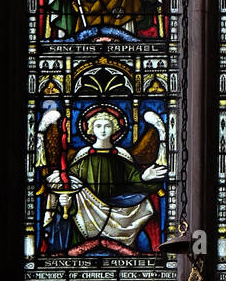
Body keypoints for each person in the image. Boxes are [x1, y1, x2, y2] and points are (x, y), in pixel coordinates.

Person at [46, 107, 167, 255]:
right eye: (98, 126)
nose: (103, 130)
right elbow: (69, 186)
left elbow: (135, 184)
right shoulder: (82, 159)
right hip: (86, 215)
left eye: (107, 126)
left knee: (143, 239)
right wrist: (66, 202)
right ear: (90, 129)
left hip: (121, 215)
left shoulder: (122, 157)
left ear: (115, 129)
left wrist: (144, 178)